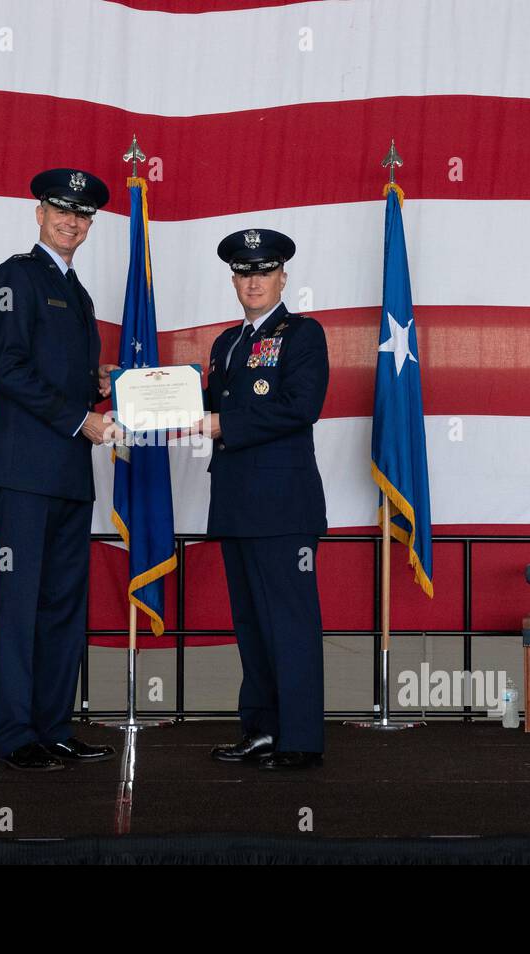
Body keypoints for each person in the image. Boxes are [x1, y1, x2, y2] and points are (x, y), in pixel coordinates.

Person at [0, 169, 120, 771]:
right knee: (19, 601)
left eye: (83, 215)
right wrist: (79, 419)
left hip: (68, 472)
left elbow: (60, 377)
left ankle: (54, 726)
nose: (73, 221)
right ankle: (15, 733)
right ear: (38, 212)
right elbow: (7, 368)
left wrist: (102, 385)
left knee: (63, 603)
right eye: (62, 210)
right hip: (25, 469)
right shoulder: (15, 277)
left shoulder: (78, 292)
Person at [197, 229, 329, 769]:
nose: (253, 281)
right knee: (251, 625)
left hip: (283, 505)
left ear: (282, 277)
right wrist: (138, 392)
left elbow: (301, 407)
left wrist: (222, 421)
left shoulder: (304, 335)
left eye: (263, 271)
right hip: (234, 501)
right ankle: (261, 730)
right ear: (233, 279)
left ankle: (298, 740)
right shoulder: (226, 343)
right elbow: (199, 407)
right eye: (244, 272)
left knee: (290, 624)